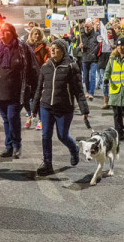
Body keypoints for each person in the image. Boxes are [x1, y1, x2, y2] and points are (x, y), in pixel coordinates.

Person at [32, 39, 89, 176]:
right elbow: (39, 88)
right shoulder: (45, 66)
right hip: (46, 106)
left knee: (62, 136)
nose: (52, 50)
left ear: (63, 51)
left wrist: (84, 110)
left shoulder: (71, 67)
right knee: (46, 136)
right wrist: (34, 108)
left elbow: (78, 90)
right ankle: (47, 164)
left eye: (56, 48)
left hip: (64, 108)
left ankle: (74, 149)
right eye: (51, 47)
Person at [0, 23, 39, 158]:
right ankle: (9, 146)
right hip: (0, 91)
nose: (2, 33)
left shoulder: (22, 48)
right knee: (6, 120)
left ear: (13, 33)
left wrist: (35, 89)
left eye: (6, 31)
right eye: (1, 31)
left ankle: (17, 145)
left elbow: (33, 68)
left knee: (12, 117)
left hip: (17, 91)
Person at [25, 27, 50, 130]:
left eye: (39, 34)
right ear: (31, 35)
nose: (37, 36)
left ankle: (40, 120)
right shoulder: (26, 46)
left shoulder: (44, 46)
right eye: (35, 34)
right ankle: (30, 115)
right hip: (28, 75)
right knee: (27, 97)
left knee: (38, 98)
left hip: (39, 75)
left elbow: (47, 59)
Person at [80, 20, 100, 101]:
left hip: (93, 59)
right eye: (85, 26)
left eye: (88, 27)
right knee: (85, 76)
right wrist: (80, 47)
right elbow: (77, 49)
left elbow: (99, 46)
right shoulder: (81, 36)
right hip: (85, 58)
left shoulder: (96, 35)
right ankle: (88, 91)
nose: (86, 28)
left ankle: (91, 92)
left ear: (91, 27)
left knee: (92, 75)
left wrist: (95, 54)